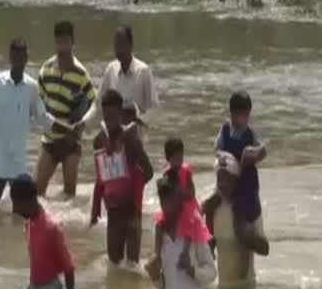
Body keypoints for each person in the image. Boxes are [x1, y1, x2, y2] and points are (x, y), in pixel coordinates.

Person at [0, 38, 66, 208]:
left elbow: (43, 117)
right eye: (15, 57)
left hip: (18, 163)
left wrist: (67, 130)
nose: (19, 61)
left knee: (21, 214)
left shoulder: (32, 87)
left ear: (26, 59)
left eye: (22, 57)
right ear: (10, 57)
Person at [204, 152, 269, 289]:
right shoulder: (214, 209)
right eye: (219, 177)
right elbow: (209, 251)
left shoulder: (248, 210)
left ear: (236, 179)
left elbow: (265, 248)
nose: (223, 183)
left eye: (227, 178)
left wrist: (243, 234)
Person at [90, 89, 154, 265]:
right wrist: (95, 208)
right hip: (113, 212)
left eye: (113, 116)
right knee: (114, 264)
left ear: (120, 115)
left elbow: (148, 172)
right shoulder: (98, 141)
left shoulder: (131, 139)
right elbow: (100, 178)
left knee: (132, 266)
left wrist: (132, 184)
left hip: (132, 210)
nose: (109, 121)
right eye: (106, 116)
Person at [10, 175, 75, 289]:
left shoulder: (51, 227)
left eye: (15, 203)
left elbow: (68, 267)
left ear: (28, 201)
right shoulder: (29, 224)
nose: (14, 209)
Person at [36, 20, 96, 197]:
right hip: (50, 139)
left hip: (71, 141)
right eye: (59, 41)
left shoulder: (81, 73)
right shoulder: (46, 70)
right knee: (37, 190)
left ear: (73, 42)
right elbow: (37, 103)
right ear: (55, 42)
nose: (62, 46)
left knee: (70, 193)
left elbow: (95, 103)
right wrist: (45, 121)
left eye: (66, 41)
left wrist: (82, 125)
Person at [204, 90, 266, 228]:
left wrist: (254, 153)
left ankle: (249, 233)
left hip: (244, 175)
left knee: (246, 201)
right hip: (227, 174)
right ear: (232, 114)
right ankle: (210, 237)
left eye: (246, 115)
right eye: (240, 115)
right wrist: (220, 156)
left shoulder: (250, 133)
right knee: (211, 204)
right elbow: (217, 148)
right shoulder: (225, 129)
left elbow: (261, 150)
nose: (243, 119)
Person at [80, 24, 159, 129]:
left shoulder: (143, 71)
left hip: (136, 136)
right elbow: (98, 105)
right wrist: (83, 123)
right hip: (113, 136)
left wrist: (138, 121)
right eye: (116, 45)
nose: (119, 50)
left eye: (122, 44)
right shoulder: (111, 69)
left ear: (131, 45)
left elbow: (154, 108)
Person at [153, 137, 211, 267]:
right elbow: (164, 194)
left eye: (181, 155)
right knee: (159, 225)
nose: (179, 159)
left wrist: (181, 192)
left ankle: (185, 253)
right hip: (173, 205)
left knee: (190, 224)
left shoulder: (186, 170)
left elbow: (192, 193)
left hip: (187, 204)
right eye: (175, 157)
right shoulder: (166, 174)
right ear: (168, 158)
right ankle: (156, 254)